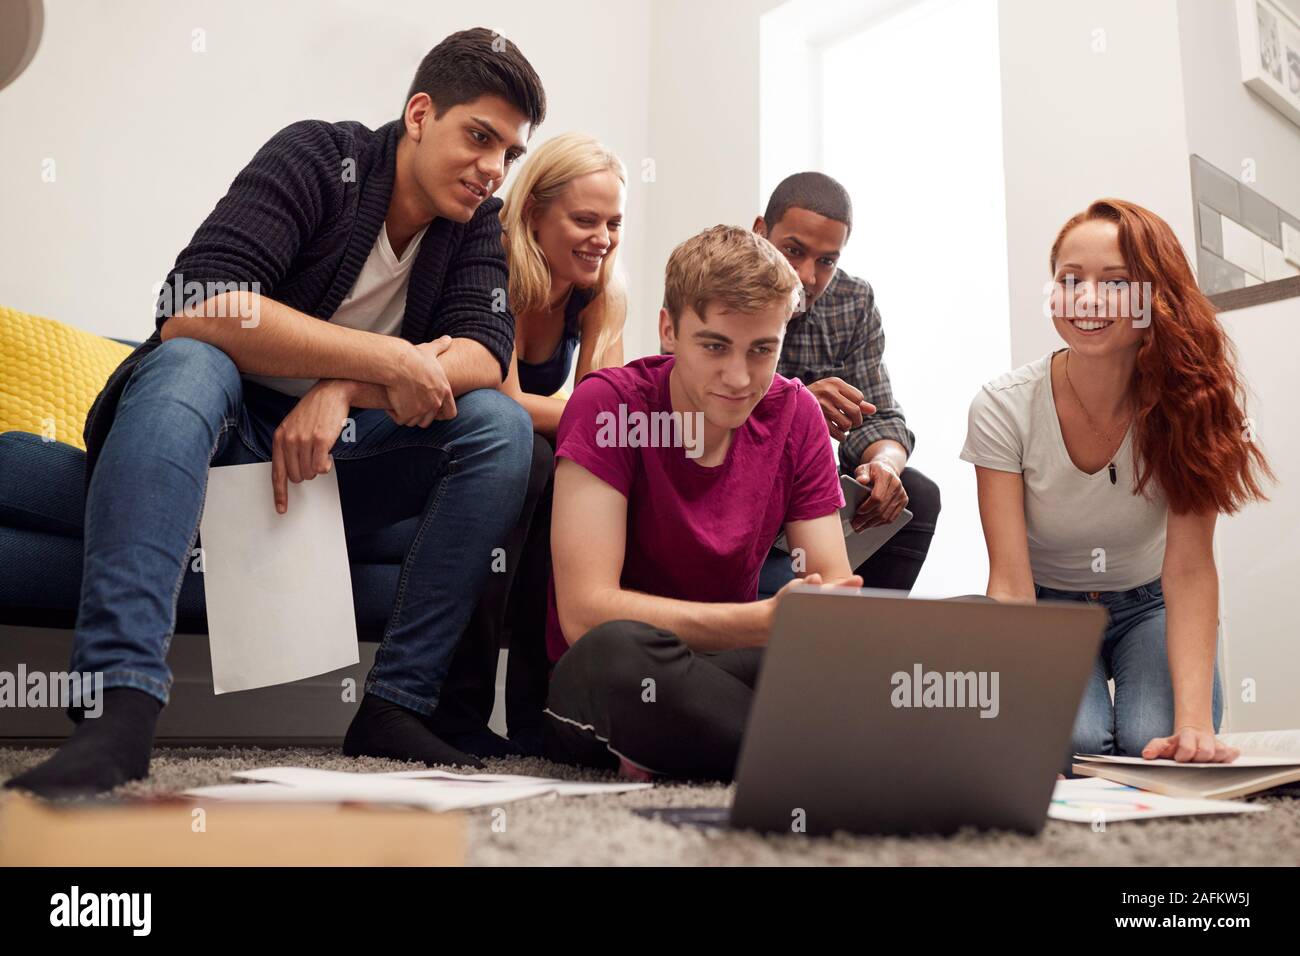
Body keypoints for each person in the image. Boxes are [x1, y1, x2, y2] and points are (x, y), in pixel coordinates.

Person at [6, 28, 548, 797]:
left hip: (338, 461)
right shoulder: (321, 158)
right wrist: (386, 359)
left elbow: (485, 355)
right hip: (217, 435)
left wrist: (341, 387)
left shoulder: (474, 227)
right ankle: (117, 710)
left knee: (501, 428)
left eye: (510, 154)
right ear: (421, 114)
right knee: (191, 361)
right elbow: (197, 306)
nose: (493, 169)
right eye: (480, 137)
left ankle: (396, 705)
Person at [542, 224, 861, 781]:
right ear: (669, 329)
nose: (739, 378)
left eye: (762, 350)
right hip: (622, 675)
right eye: (714, 346)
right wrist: (760, 622)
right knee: (616, 654)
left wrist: (802, 626)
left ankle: (770, 750)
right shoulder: (610, 405)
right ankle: (832, 756)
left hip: (725, 671)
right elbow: (584, 613)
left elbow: (828, 609)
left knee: (944, 637)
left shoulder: (796, 414)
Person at [961, 198, 1272, 764]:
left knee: (1152, 743)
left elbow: (1191, 567)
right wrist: (1021, 703)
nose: (1086, 298)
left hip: (1150, 604)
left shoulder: (1192, 405)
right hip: (1051, 605)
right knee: (1075, 747)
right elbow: (1010, 583)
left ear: (1156, 296)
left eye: (1116, 281)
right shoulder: (1002, 407)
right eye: (1069, 279)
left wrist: (1196, 725)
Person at [430, 133, 628, 757]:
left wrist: (589, 422)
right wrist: (580, 414)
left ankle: (547, 716)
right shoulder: (500, 267)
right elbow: (508, 401)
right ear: (535, 213)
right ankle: (458, 709)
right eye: (585, 220)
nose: (603, 237)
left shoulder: (599, 293)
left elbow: (605, 416)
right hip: (458, 440)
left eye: (614, 223)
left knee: (575, 474)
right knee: (534, 454)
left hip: (531, 451)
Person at [753, 172, 940, 596]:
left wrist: (885, 466)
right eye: (793, 251)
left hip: (807, 489)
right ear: (760, 232)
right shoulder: (720, 286)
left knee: (915, 493)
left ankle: (860, 642)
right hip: (734, 484)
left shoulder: (851, 300)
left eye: (827, 261)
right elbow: (692, 413)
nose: (808, 276)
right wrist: (793, 407)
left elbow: (881, 417)